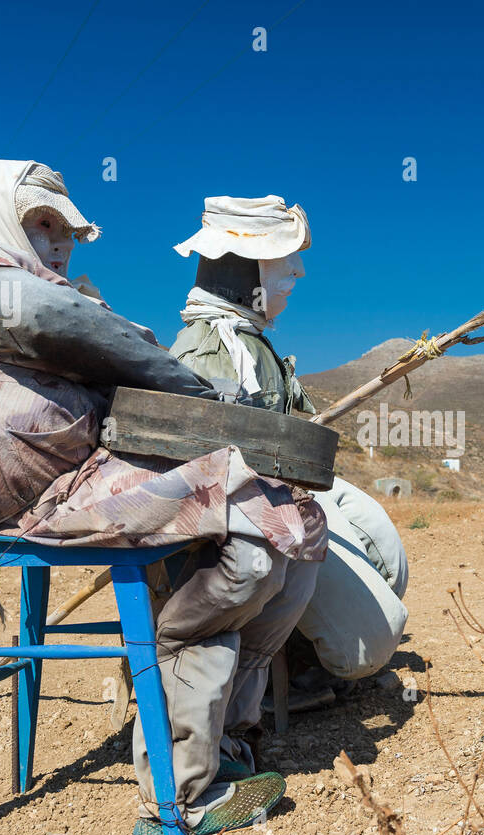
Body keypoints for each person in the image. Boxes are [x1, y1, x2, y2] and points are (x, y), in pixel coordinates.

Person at [0, 161, 326, 835]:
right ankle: (181, 792)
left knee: (294, 532)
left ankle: (226, 736)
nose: (61, 241)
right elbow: (53, 323)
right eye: (41, 223)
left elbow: (81, 330)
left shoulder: (43, 284)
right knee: (250, 544)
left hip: (95, 477)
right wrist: (196, 388)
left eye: (67, 229)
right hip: (47, 496)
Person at [171, 197, 408, 708]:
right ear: (243, 271)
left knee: (387, 551)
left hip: (284, 488)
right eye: (284, 260)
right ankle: (298, 665)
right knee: (369, 644)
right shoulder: (209, 350)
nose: (297, 271)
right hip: (253, 505)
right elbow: (208, 464)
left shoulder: (251, 341)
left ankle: (301, 651)